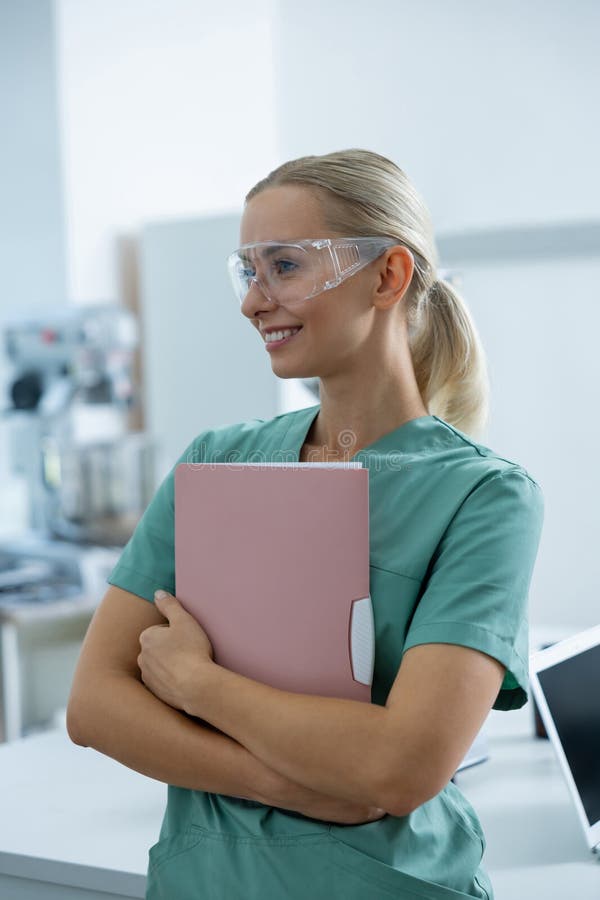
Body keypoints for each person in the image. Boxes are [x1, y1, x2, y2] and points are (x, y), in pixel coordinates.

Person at [67, 148, 545, 899]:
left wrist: (197, 685)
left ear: (387, 276)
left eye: (284, 267)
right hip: (203, 881)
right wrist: (296, 786)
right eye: (248, 271)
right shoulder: (217, 462)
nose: (254, 302)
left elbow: (402, 767)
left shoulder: (483, 497)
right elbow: (95, 705)